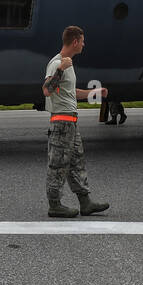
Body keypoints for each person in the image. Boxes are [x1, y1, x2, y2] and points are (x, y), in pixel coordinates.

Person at [42, 26, 110, 218]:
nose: (84, 44)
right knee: (58, 165)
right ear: (75, 42)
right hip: (61, 122)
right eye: (82, 40)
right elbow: (47, 90)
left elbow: (71, 93)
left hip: (71, 123)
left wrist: (94, 93)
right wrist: (60, 70)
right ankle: (54, 205)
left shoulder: (68, 65)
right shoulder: (57, 63)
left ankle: (85, 202)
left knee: (76, 163)